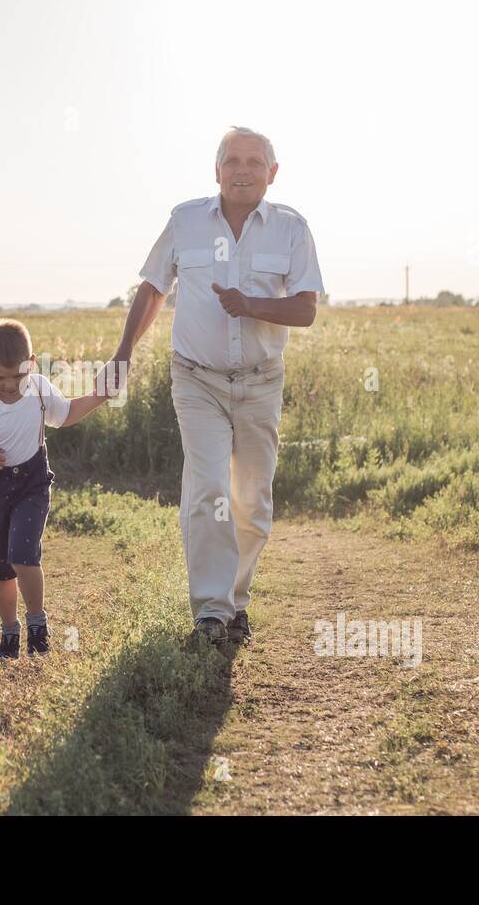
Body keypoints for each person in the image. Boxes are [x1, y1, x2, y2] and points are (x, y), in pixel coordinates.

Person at [107, 126, 325, 644]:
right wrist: (123, 352)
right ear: (217, 170)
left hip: (261, 381)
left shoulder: (292, 229)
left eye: (254, 162)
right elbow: (154, 287)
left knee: (252, 501)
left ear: (272, 173)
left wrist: (251, 305)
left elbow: (306, 309)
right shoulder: (185, 220)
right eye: (233, 160)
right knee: (207, 491)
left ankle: (235, 601)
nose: (243, 170)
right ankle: (209, 612)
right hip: (195, 378)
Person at [0, 318, 111, 658]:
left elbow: (66, 414)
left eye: (17, 376)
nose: (8, 384)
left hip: (32, 485)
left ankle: (37, 622)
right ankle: (9, 631)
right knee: (0, 567)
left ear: (31, 365)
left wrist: (100, 395)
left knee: (23, 554)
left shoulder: (40, 389)